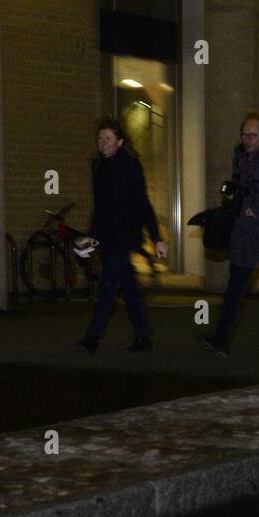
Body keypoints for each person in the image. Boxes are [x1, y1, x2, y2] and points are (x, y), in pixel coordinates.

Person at [198, 112, 259, 357]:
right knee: (234, 290)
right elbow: (240, 189)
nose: (247, 140)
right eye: (244, 135)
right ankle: (221, 340)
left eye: (252, 136)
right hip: (245, 237)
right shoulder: (240, 158)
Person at [75, 118, 167, 355]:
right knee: (129, 287)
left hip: (125, 234)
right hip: (107, 235)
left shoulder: (130, 166)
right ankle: (143, 333)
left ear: (120, 142)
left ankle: (93, 335)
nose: (102, 143)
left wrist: (156, 236)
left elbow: (142, 202)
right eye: (100, 138)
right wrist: (91, 236)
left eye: (108, 138)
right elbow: (100, 206)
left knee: (107, 286)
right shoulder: (97, 167)